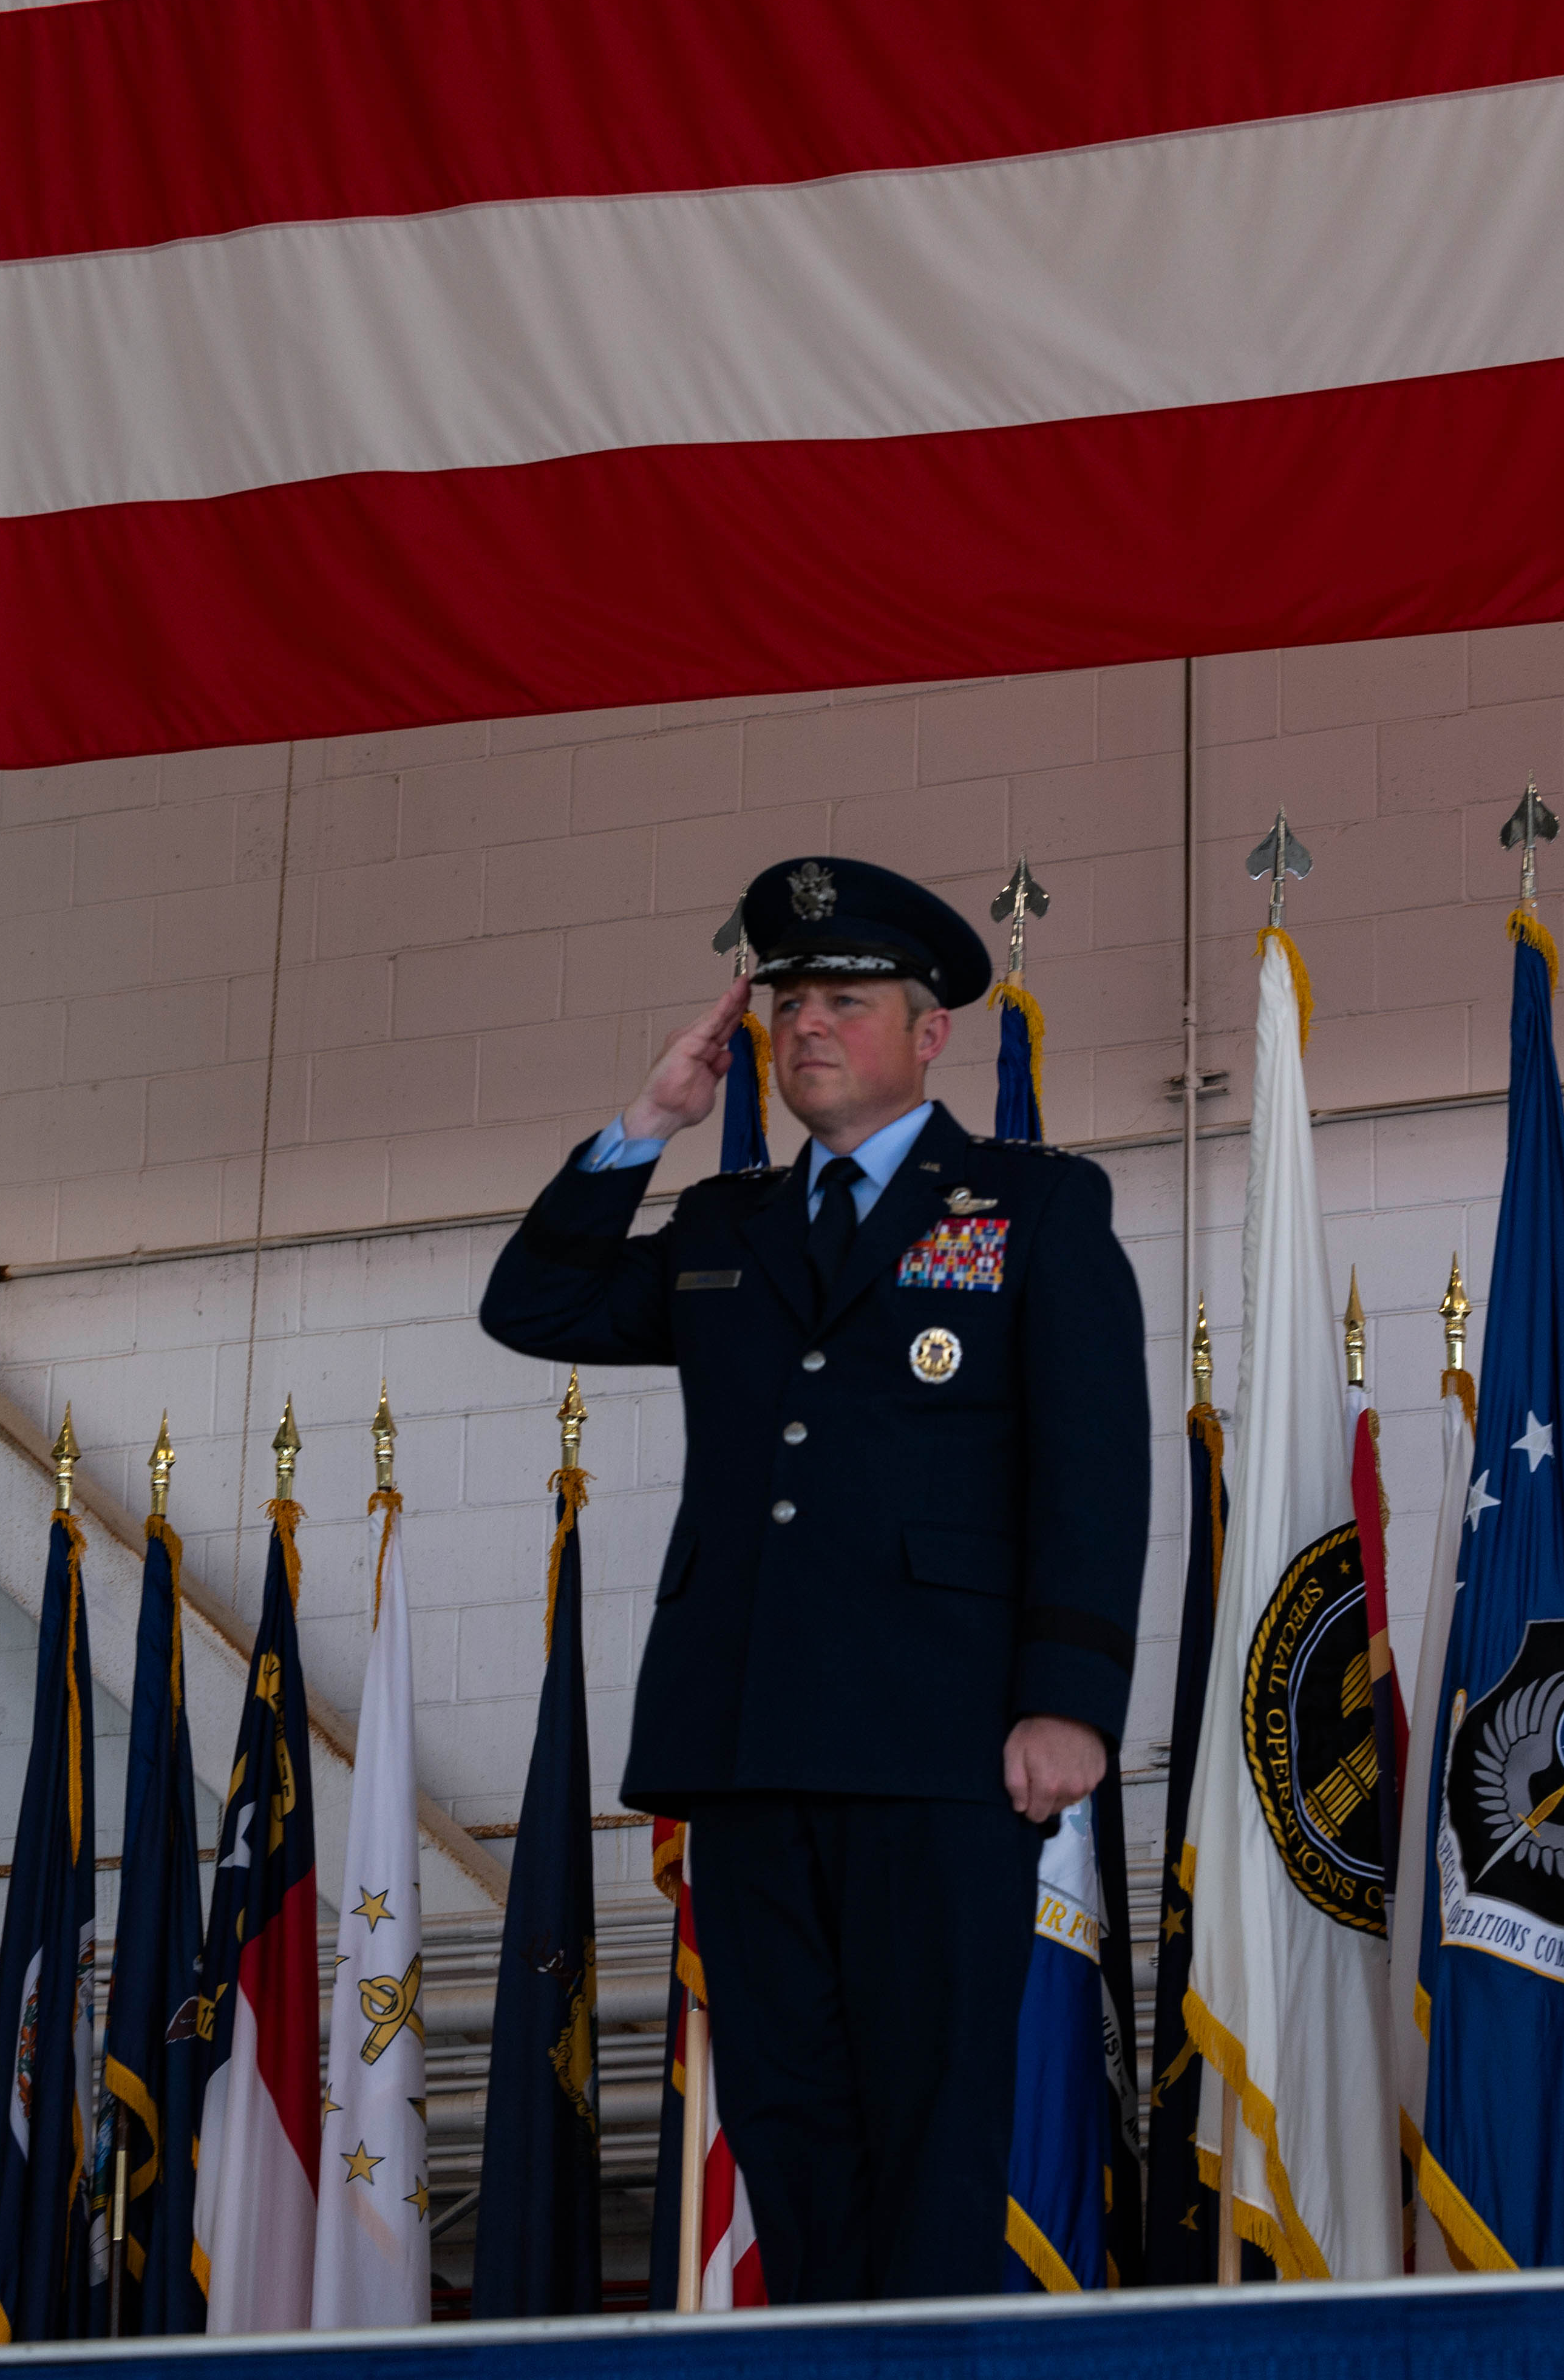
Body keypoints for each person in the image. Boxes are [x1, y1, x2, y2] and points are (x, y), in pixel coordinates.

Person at [479, 855, 1150, 2302]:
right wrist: (647, 1120)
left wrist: (1072, 1697)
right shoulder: (729, 1226)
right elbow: (531, 1306)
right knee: (787, 2114)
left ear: (931, 1031)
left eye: (845, 1000)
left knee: (930, 2108)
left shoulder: (1035, 1207)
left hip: (941, 1737)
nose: (807, 1030)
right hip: (753, 1735)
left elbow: (1093, 1466)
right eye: (788, 1007)